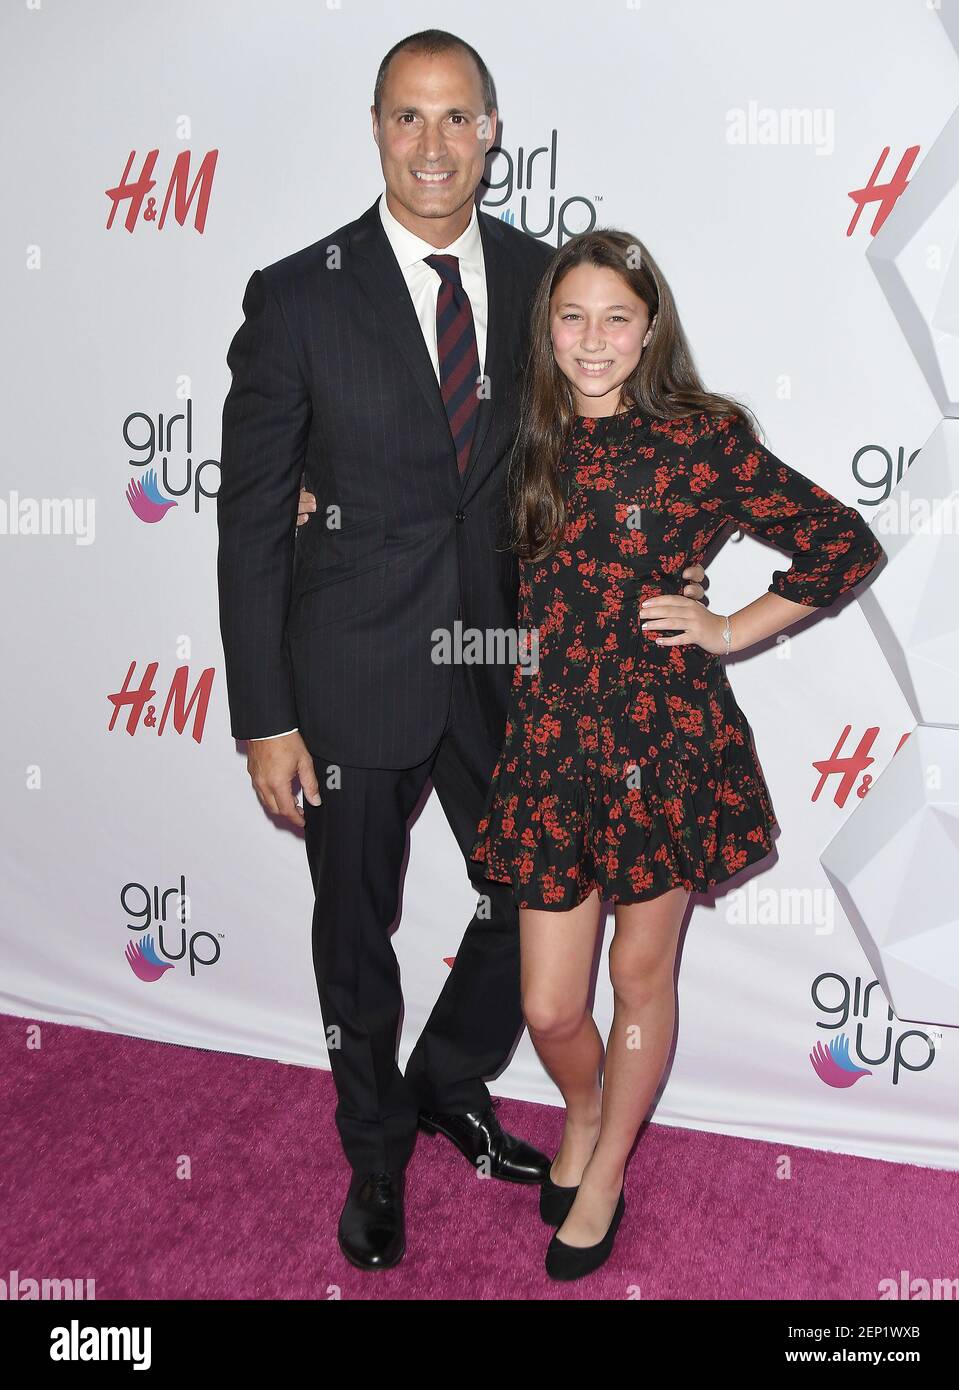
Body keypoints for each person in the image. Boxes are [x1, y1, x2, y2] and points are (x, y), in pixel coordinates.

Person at [216, 32, 710, 1272]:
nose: (432, 145)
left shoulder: (551, 280)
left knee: (529, 906)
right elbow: (249, 523)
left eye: (456, 119)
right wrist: (264, 713)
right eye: (407, 118)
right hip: (349, 670)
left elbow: (617, 443)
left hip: (510, 662)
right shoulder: (297, 293)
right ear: (375, 129)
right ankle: (373, 1158)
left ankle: (444, 1076)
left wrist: (675, 560)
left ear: (493, 130)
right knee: (354, 932)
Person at [464, 229, 886, 1280]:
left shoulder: (703, 438)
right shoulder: (517, 427)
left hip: (665, 739)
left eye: (616, 317)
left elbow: (840, 541)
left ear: (650, 328)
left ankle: (602, 1168)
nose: (593, 339)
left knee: (637, 973)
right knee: (550, 1005)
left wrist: (731, 627)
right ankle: (587, 1104)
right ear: (545, 326)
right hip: (555, 744)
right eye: (573, 316)